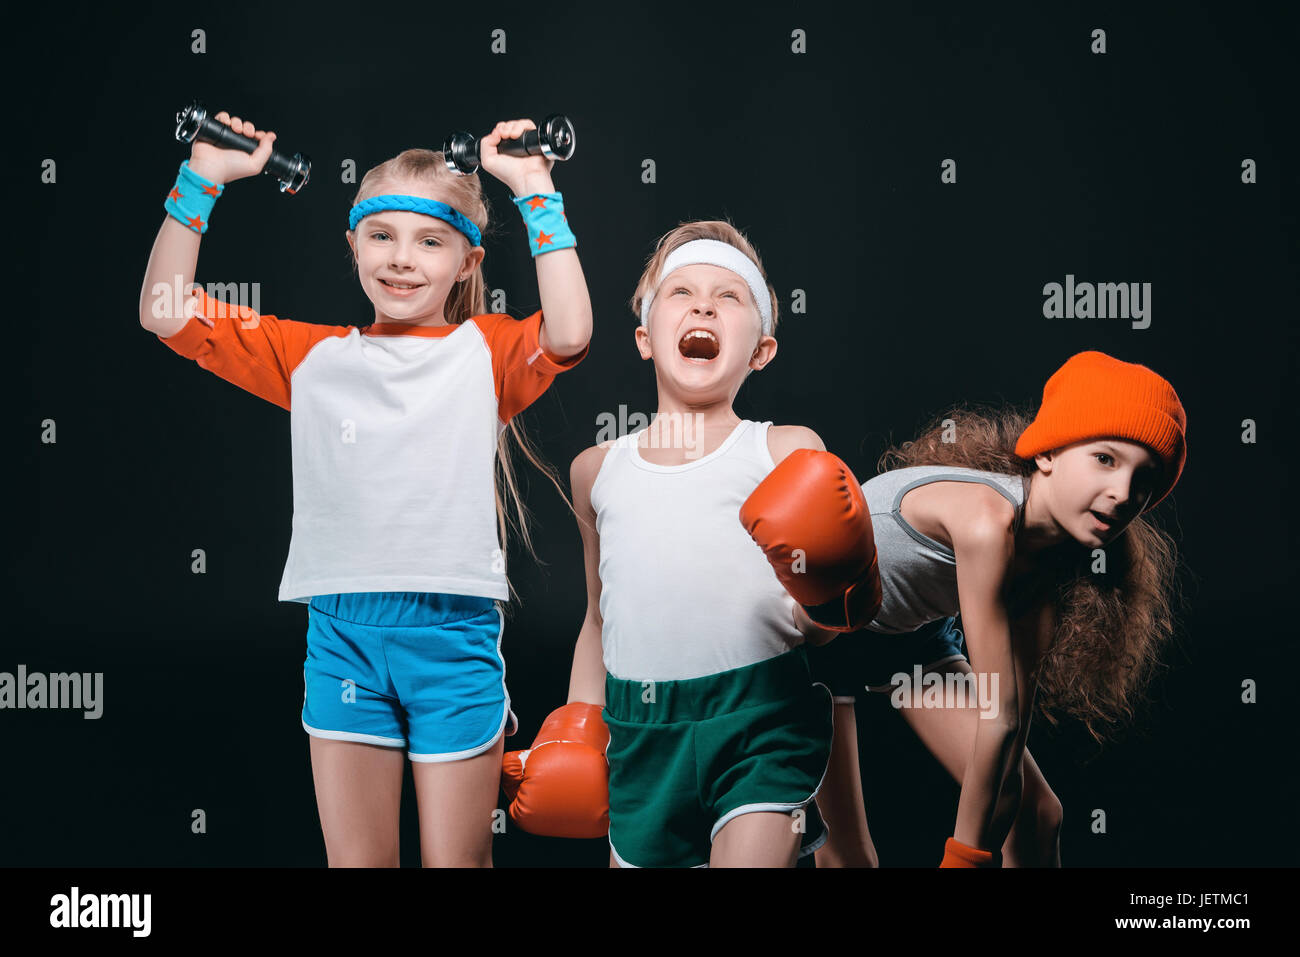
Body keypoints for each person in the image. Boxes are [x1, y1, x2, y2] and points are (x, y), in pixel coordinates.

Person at [138, 112, 592, 866]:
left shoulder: (484, 352)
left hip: (452, 636)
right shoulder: (311, 357)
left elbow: (571, 331)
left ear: (465, 260)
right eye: (380, 235)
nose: (401, 259)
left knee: (459, 863)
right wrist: (202, 179)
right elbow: (163, 313)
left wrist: (534, 186)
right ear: (352, 246)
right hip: (343, 636)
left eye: (429, 240)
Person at [502, 220, 879, 867]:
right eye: (681, 291)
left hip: (761, 716)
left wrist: (829, 605)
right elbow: (598, 616)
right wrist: (577, 725)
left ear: (761, 349)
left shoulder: (789, 450)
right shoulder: (596, 469)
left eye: (729, 296)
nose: (704, 303)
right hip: (640, 733)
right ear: (647, 338)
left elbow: (815, 624)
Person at [792, 351, 1187, 866]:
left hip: (907, 642)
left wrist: (967, 856)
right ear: (1047, 453)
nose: (1122, 493)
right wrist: (966, 859)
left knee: (1040, 814)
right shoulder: (986, 521)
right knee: (849, 859)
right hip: (818, 639)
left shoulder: (1045, 569)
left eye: (1145, 480)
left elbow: (1006, 736)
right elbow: (996, 717)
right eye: (1106, 459)